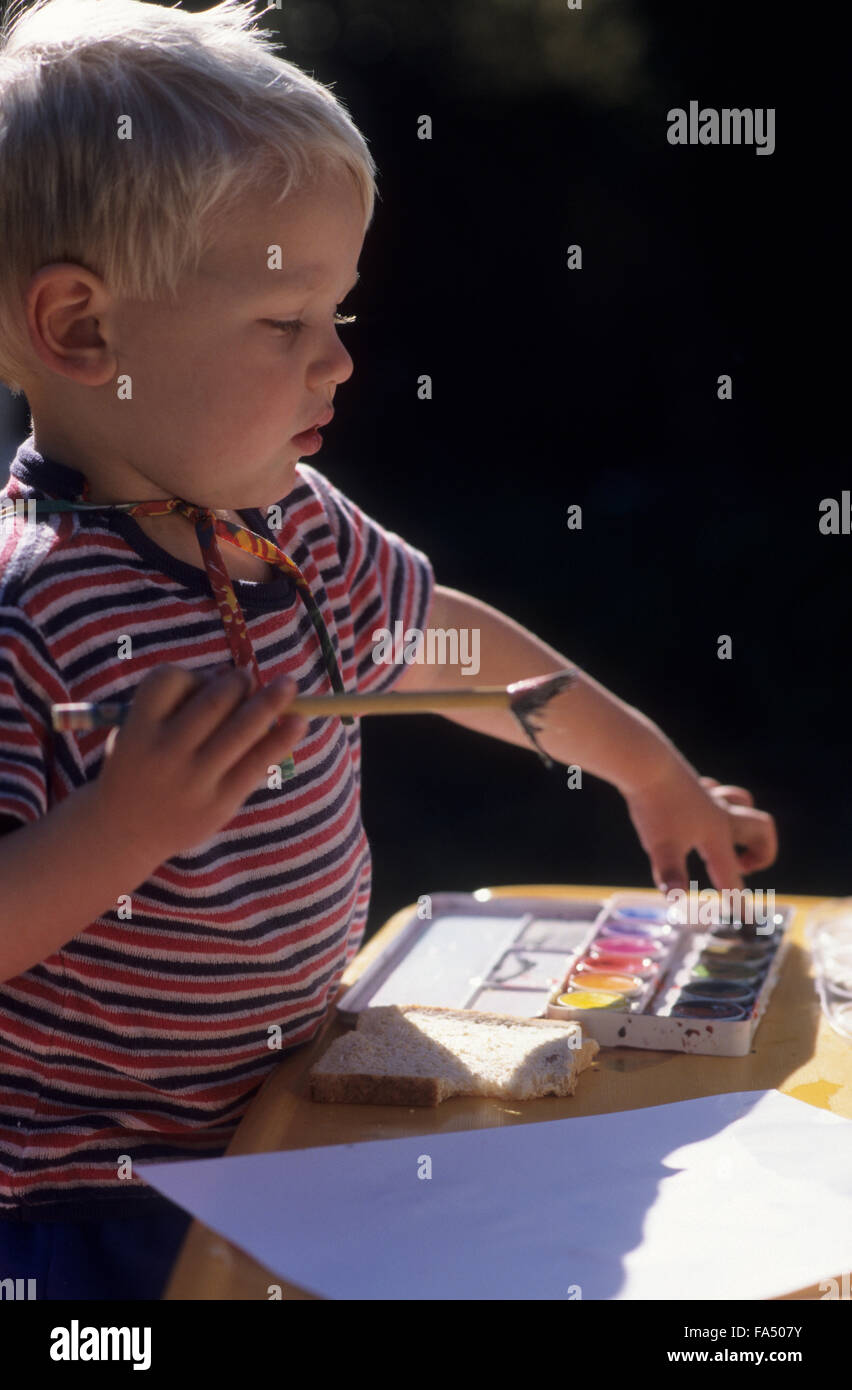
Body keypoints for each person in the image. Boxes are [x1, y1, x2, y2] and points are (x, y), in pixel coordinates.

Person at [0, 0, 777, 1298]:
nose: (341, 360)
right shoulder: (31, 609)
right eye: (284, 321)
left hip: (294, 1120)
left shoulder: (294, 531)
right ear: (86, 331)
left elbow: (449, 647)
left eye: (339, 311)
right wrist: (118, 830)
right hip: (90, 1204)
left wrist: (648, 771)